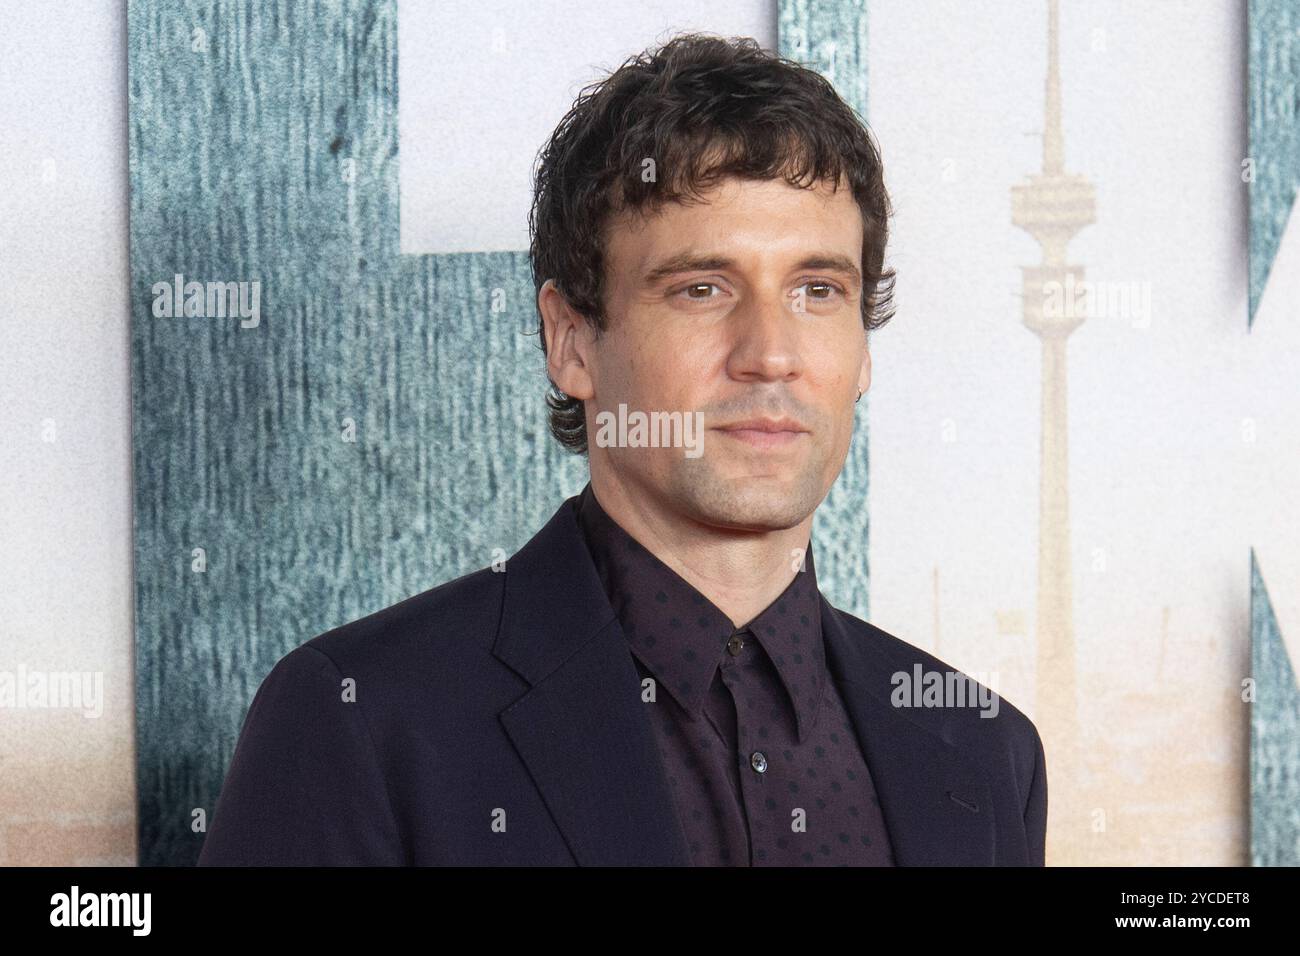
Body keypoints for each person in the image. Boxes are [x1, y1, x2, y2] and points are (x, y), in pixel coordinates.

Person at [197, 32, 1046, 867]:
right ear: (570, 342)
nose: (771, 353)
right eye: (702, 288)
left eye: (817, 289)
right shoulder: (362, 724)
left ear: (861, 349)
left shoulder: (986, 752)